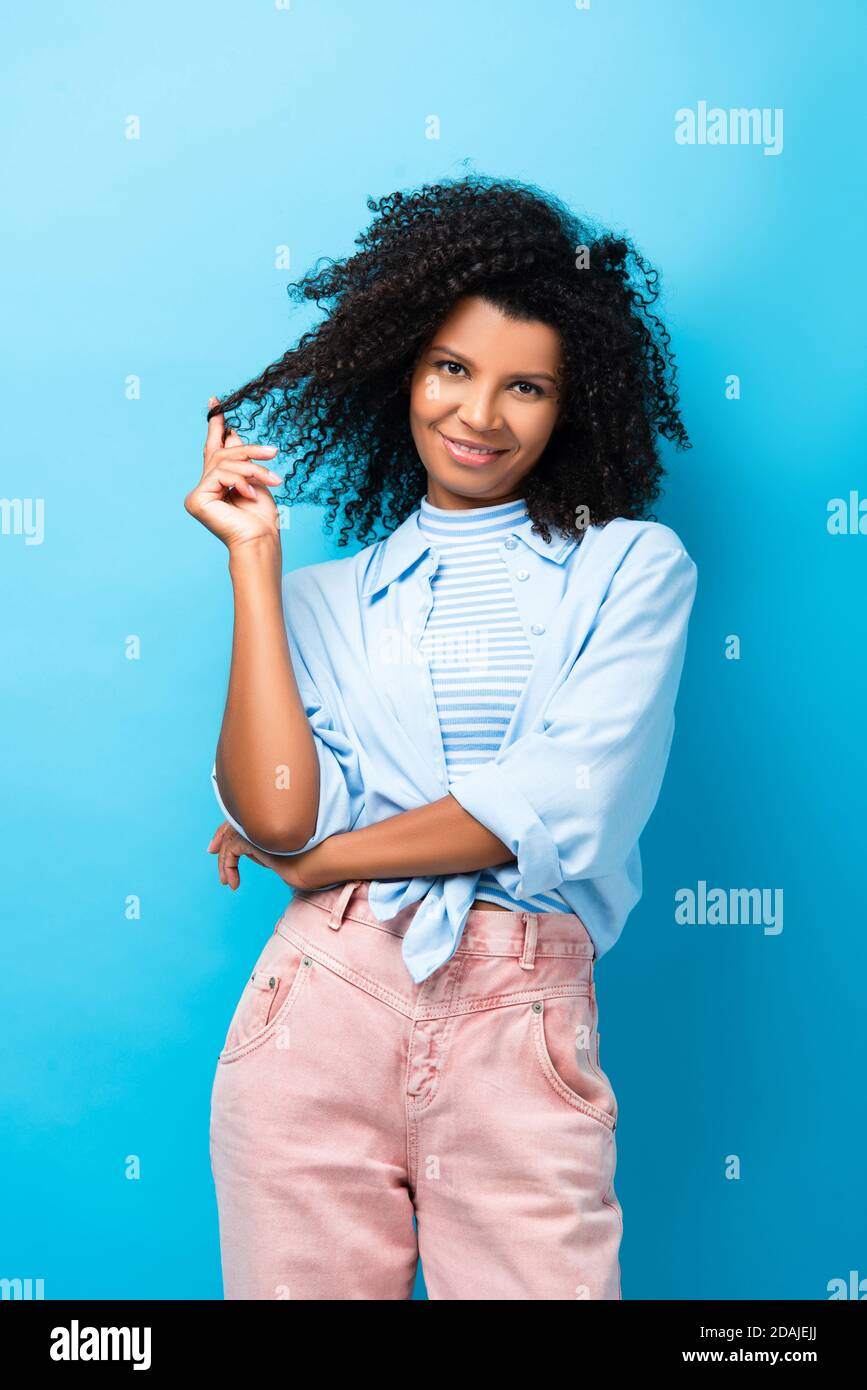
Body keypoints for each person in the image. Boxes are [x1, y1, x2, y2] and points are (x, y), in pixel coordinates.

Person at [185, 174, 698, 1301]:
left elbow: (567, 804)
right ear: (403, 373)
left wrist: (326, 862)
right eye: (454, 370)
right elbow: (275, 808)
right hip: (321, 1002)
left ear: (574, 407)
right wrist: (256, 564)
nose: (479, 415)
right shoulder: (320, 602)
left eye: (527, 387)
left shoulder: (632, 572)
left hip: (521, 1018)